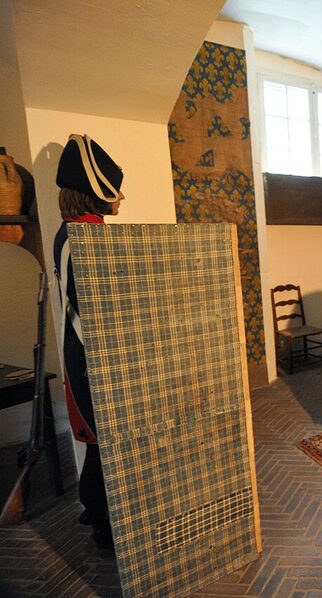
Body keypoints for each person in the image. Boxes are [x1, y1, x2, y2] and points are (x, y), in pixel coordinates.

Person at [52, 134, 124, 550]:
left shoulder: (80, 232)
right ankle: (104, 523)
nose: (122, 198)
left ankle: (97, 510)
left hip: (88, 354)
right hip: (92, 357)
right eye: (115, 191)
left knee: (103, 444)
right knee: (105, 442)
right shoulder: (84, 236)